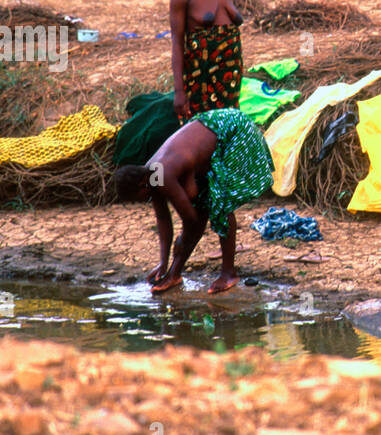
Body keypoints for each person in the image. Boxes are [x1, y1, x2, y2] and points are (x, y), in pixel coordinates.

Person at [113, 107, 273, 295]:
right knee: (199, 202)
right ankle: (174, 274)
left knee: (220, 205)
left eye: (137, 198)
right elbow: (163, 219)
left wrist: (181, 242)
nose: (141, 201)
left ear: (141, 185)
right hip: (211, 133)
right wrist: (163, 263)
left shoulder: (161, 173)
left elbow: (191, 219)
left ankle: (229, 272)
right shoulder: (151, 174)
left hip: (232, 130)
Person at [169, 0, 245, 123]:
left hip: (230, 78)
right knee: (204, 129)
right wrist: (179, 91)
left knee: (228, 126)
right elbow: (177, 44)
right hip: (202, 82)